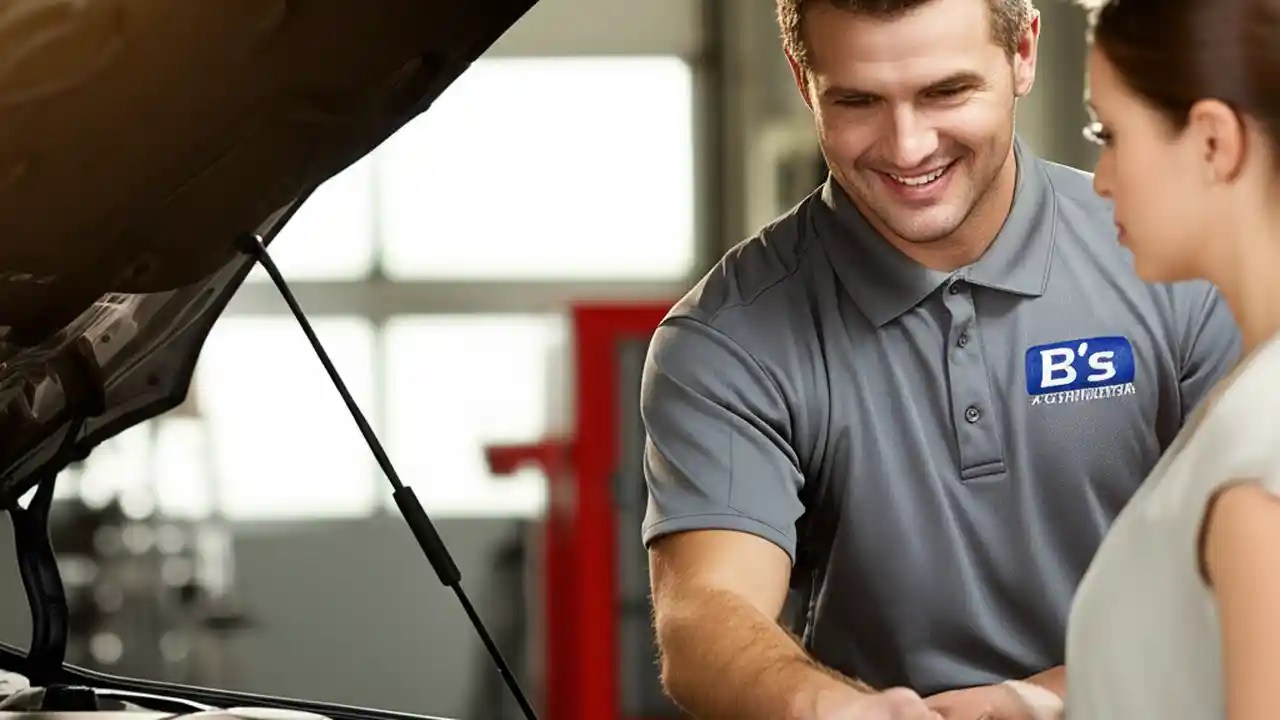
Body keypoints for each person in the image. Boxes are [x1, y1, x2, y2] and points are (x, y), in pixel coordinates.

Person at [639, 0, 1243, 718]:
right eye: (859, 100)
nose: (907, 146)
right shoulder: (726, 337)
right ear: (805, 82)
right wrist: (833, 711)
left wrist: (1039, 702)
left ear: (1023, 55)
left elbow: (1253, 584)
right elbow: (706, 610)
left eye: (945, 92)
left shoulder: (1183, 266)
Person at [1063, 1, 1280, 718]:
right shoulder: (1245, 398)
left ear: (1214, 141)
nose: (1100, 177)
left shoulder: (1260, 457)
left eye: (1110, 134)